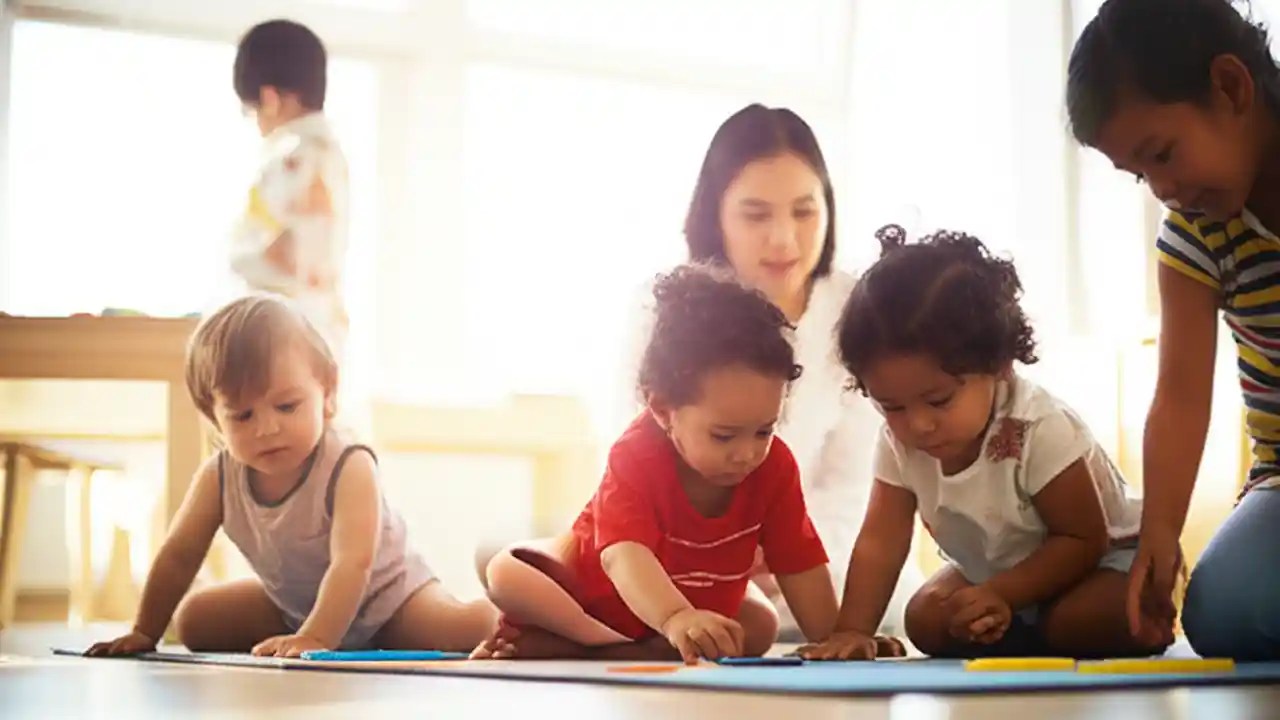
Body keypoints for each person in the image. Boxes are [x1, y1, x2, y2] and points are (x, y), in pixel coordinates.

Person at [615, 104, 921, 638]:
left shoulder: (858, 312)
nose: (784, 240)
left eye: (805, 212)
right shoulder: (664, 311)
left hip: (817, 559)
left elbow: (860, 488)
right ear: (716, 215)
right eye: (756, 215)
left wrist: (773, 550)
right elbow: (631, 463)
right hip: (679, 557)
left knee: (877, 604)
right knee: (520, 555)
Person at [472, 264, 871, 663]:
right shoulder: (636, 454)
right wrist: (674, 615)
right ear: (663, 409)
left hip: (695, 609)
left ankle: (619, 650)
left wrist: (834, 636)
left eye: (764, 431)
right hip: (598, 602)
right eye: (724, 435)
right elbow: (623, 555)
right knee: (507, 573)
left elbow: (799, 562)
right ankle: (609, 642)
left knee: (761, 627)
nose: (747, 453)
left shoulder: (775, 467)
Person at [800, 226, 1157, 660]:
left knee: (1077, 623)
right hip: (996, 577)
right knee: (926, 622)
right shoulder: (899, 444)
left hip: (1098, 567)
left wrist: (1001, 593)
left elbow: (1083, 539)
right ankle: (1016, 629)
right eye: (891, 406)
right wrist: (852, 630)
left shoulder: (1037, 427)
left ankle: (1131, 618)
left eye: (939, 400)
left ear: (999, 365)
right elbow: (881, 541)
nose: (919, 425)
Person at [87, 295, 496, 658]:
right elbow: (179, 554)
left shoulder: (349, 464)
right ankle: (301, 631)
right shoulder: (220, 477)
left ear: (328, 392)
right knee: (194, 619)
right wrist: (144, 630)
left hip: (388, 600)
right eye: (242, 415)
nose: (266, 428)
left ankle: (527, 619)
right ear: (214, 420)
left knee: (465, 628)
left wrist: (317, 637)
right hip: (296, 607)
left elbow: (353, 562)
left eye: (287, 406)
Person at [1067, 0, 1280, 659]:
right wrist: (1161, 530)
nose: (1164, 188)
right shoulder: (1197, 235)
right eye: (1141, 174)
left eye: (1162, 153)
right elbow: (1182, 395)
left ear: (1230, 87)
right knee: (1222, 611)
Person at [229, 19, 350, 360]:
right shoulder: (328, 153)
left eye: (249, 109)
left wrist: (239, 262)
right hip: (316, 336)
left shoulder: (292, 155)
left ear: (268, 99)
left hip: (284, 340)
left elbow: (294, 255)